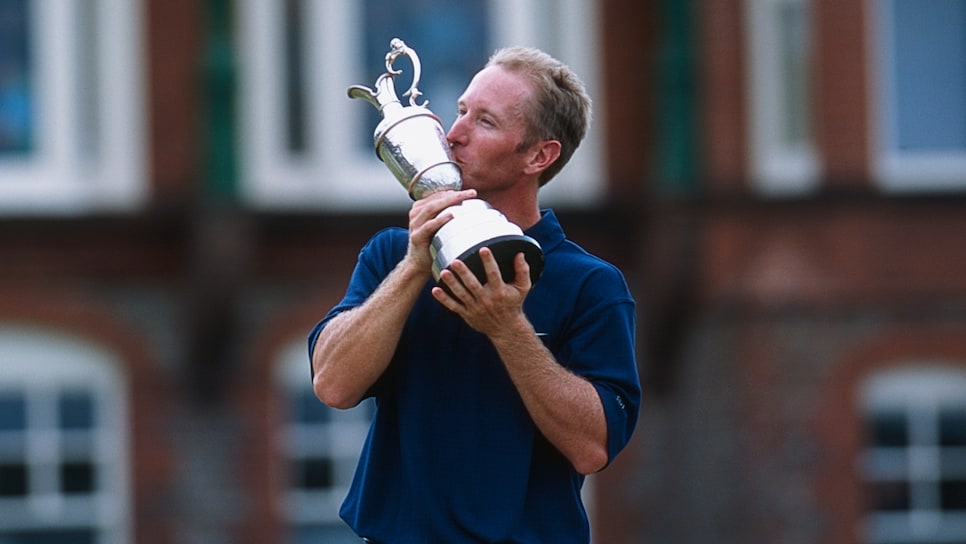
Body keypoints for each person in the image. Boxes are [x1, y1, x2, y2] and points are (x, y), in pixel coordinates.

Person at [308, 45, 640, 543]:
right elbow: (333, 386)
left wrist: (508, 329)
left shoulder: (591, 283)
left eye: (484, 122)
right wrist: (417, 265)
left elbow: (592, 447)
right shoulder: (392, 255)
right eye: (460, 110)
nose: (454, 133)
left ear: (539, 155)